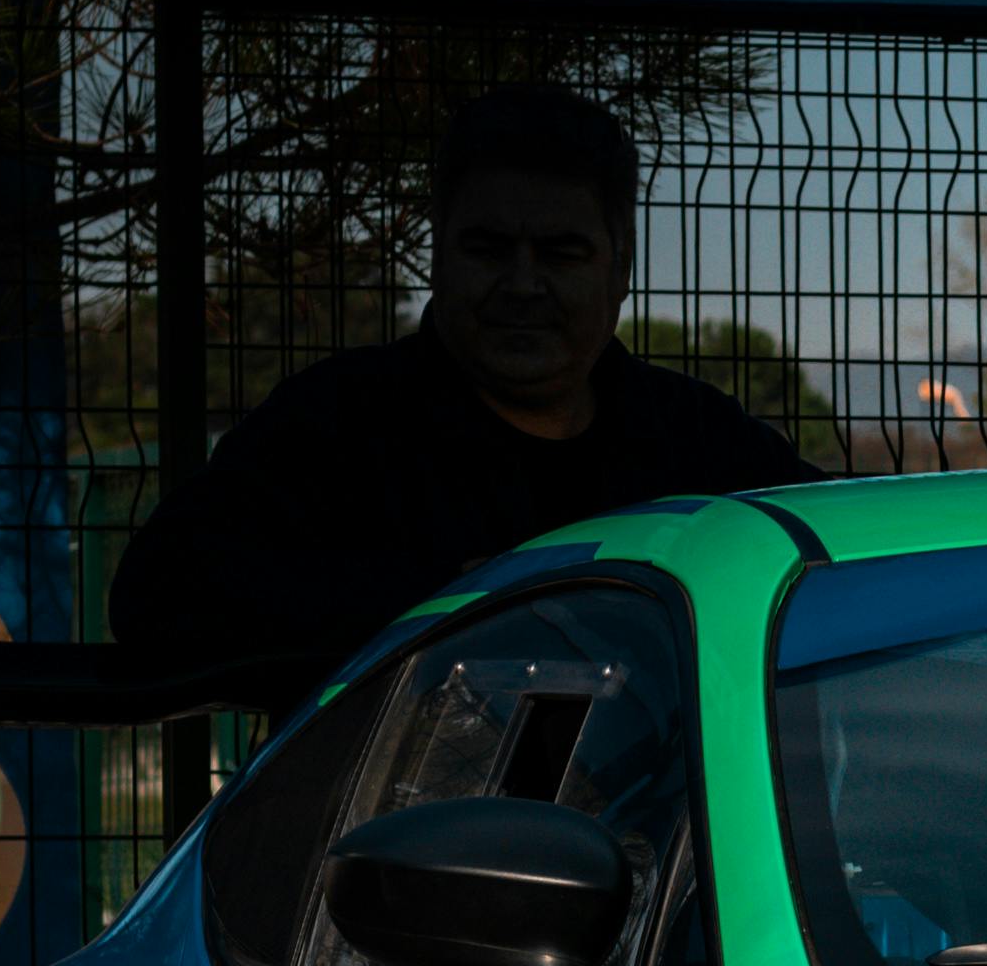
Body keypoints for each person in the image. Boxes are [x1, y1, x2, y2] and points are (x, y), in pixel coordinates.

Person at [110, 84, 807, 716]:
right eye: (489, 249)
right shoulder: (331, 428)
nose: (523, 284)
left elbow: (835, 571)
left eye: (562, 254)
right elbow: (154, 597)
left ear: (619, 270)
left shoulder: (701, 442)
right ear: (439, 257)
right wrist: (448, 611)